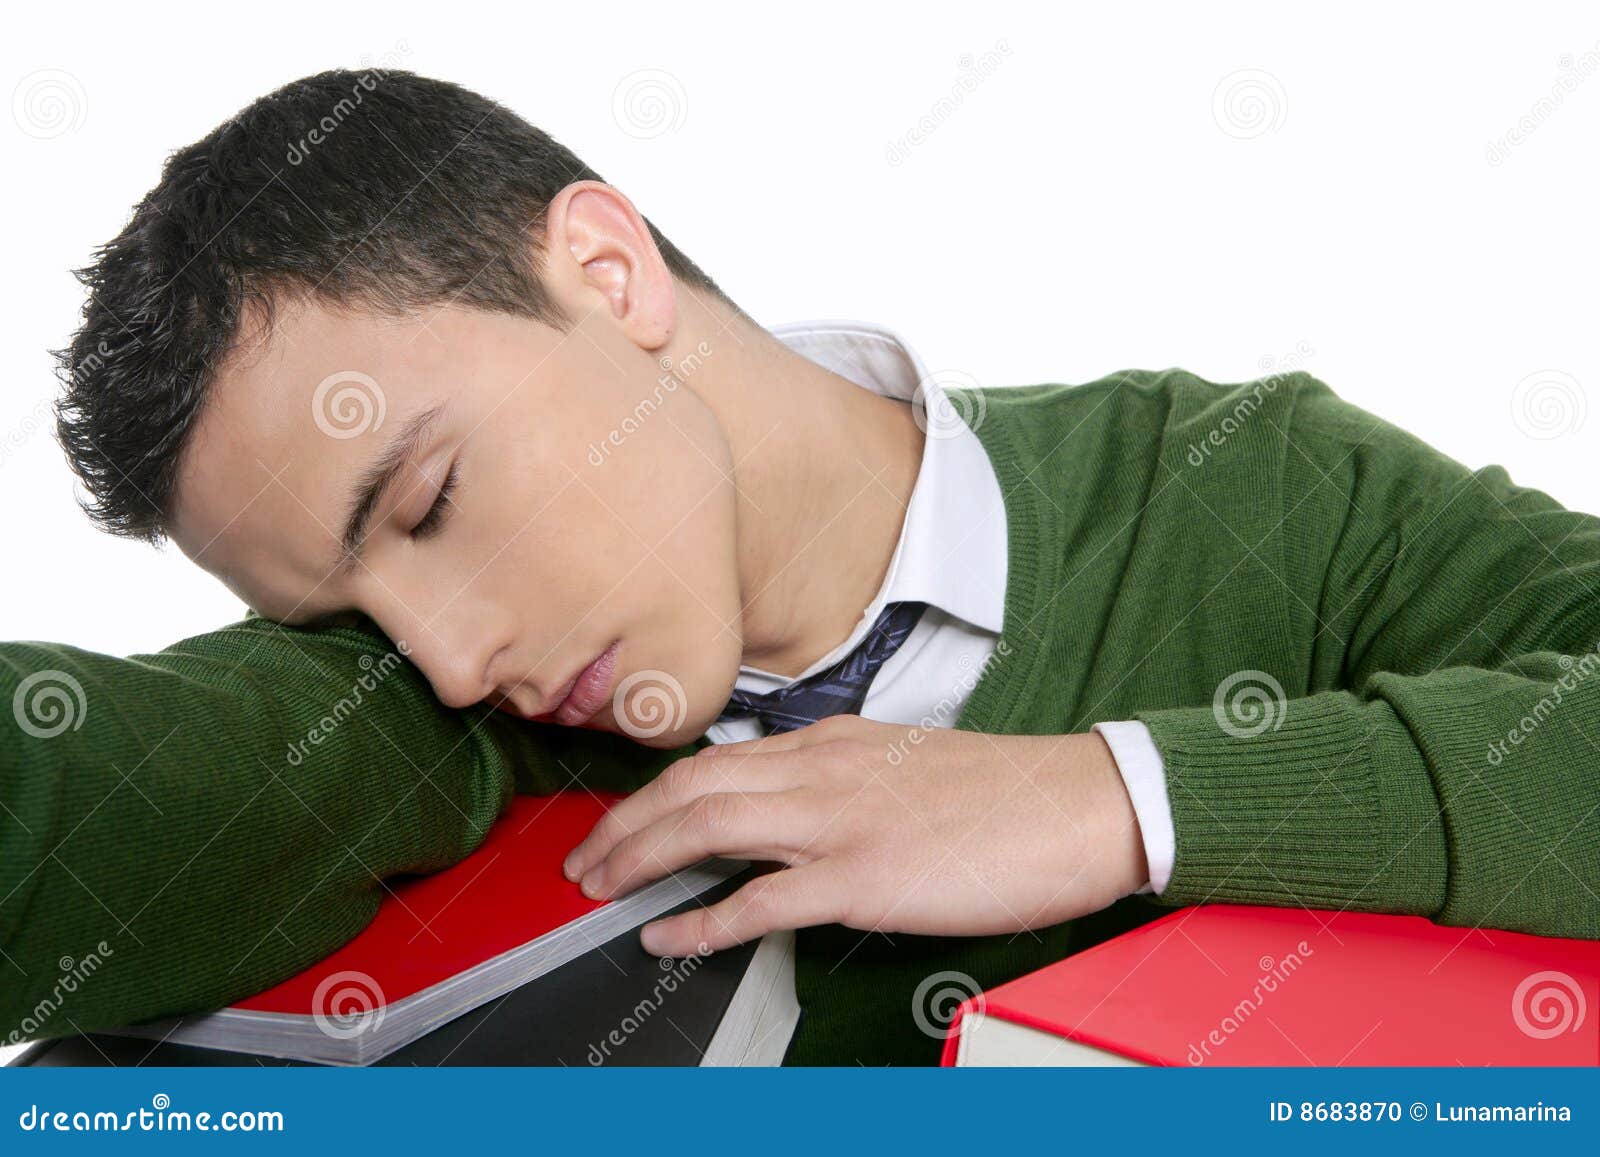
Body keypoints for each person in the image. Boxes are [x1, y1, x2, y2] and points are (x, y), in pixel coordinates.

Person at [5, 69, 1597, 1066]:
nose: (440, 657)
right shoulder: (420, 717)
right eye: (342, 619)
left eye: (423, 504)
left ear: (606, 272)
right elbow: (86, 797)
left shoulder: (1248, 488)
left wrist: (1113, 799)